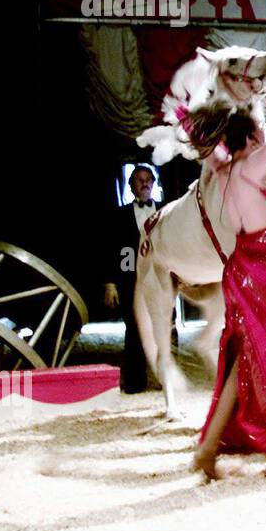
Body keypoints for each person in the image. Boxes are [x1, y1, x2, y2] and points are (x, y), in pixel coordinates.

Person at [185, 64, 266, 482]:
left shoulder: (222, 166)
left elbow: (195, 131)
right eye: (262, 125)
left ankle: (210, 449)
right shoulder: (253, 165)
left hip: (241, 271)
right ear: (250, 136)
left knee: (246, 360)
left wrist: (183, 112)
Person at [105, 164, 161, 394]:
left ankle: (167, 380)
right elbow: (111, 251)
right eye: (139, 180)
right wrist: (110, 284)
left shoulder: (167, 212)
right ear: (131, 185)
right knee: (134, 329)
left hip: (161, 278)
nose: (145, 183)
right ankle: (135, 382)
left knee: (164, 328)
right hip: (131, 279)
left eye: (149, 179)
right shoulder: (120, 217)